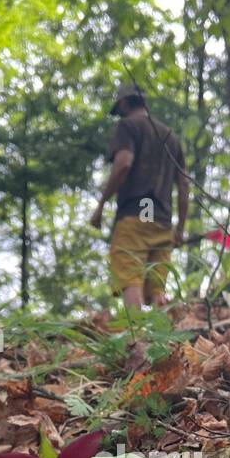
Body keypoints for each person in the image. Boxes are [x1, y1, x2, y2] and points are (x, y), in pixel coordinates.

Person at [90, 82, 189, 309]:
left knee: (131, 277)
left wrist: (101, 205)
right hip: (162, 220)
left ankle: (136, 339)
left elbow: (123, 163)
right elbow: (183, 185)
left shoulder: (128, 126)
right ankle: (160, 339)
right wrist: (180, 228)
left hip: (136, 214)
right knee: (157, 286)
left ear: (124, 102)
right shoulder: (170, 136)